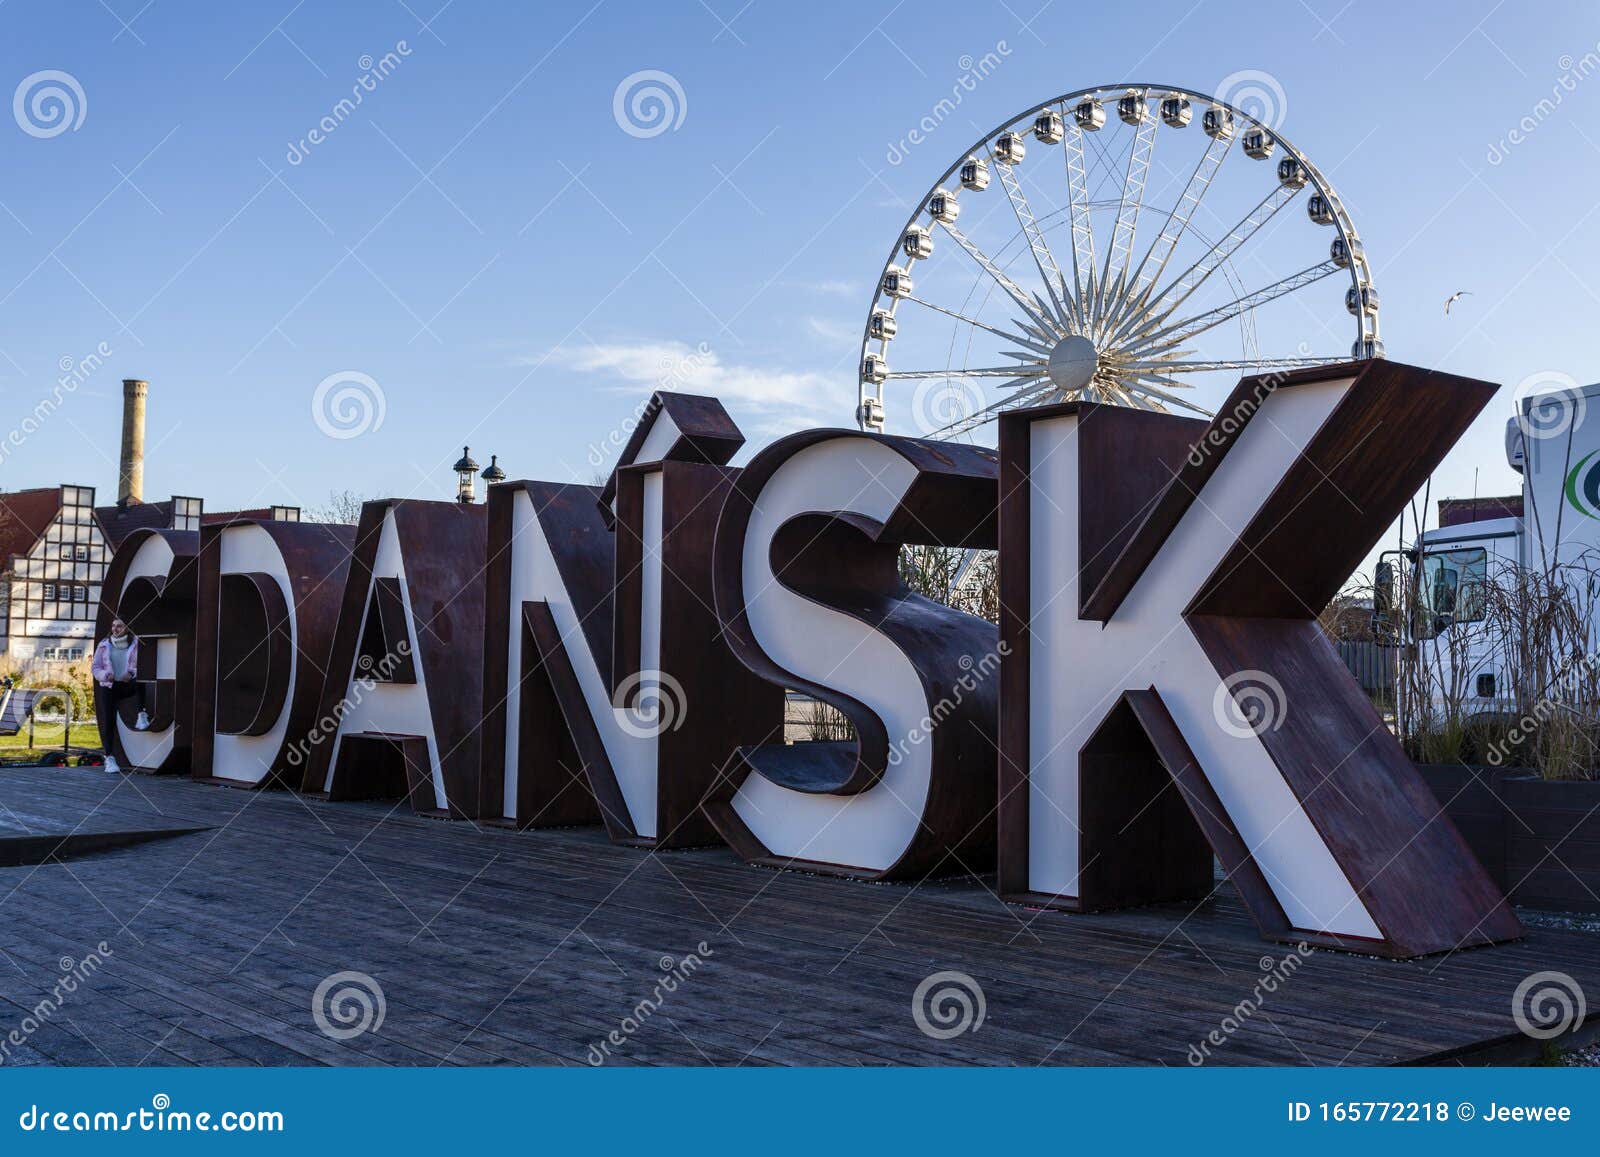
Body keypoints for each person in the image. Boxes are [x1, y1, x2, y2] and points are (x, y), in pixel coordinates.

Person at [90, 617, 143, 774]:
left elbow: (143, 665)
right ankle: (109, 758)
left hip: (126, 684)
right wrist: (105, 675)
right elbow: (95, 667)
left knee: (141, 683)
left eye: (119, 626)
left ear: (127, 628)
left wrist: (131, 673)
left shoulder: (135, 644)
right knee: (109, 721)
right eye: (113, 626)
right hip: (110, 686)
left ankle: (142, 715)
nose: (115, 629)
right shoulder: (104, 645)